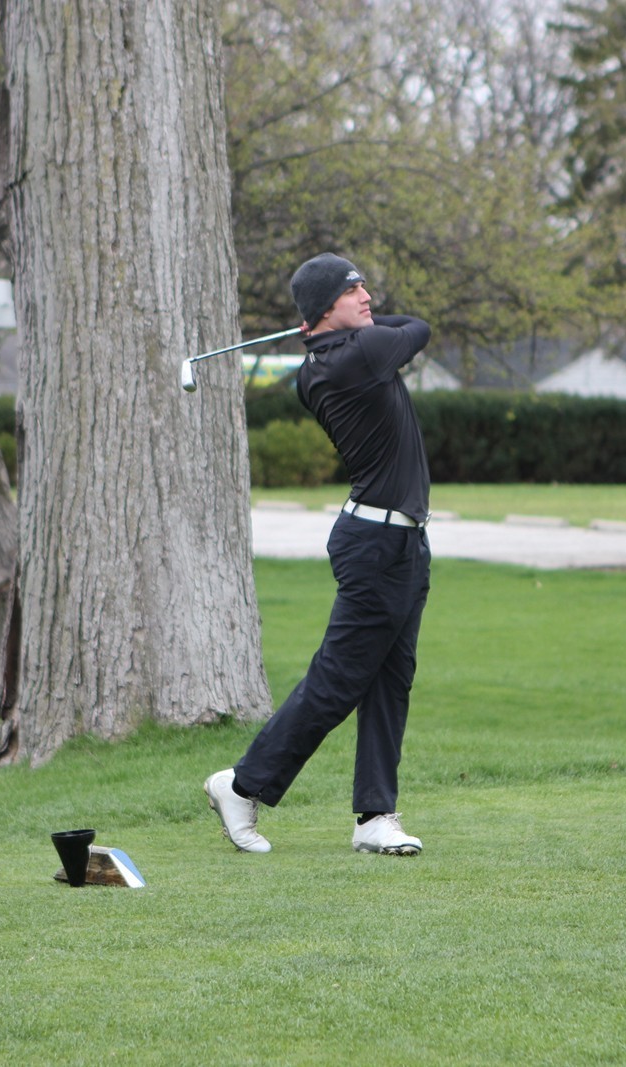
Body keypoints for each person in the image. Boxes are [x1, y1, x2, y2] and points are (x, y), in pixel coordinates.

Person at [205, 253, 433, 856]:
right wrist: (355, 326)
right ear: (323, 309)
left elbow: (398, 324)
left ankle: (375, 817)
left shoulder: (329, 360)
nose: (366, 294)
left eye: (363, 285)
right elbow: (418, 327)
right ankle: (242, 784)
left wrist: (338, 321)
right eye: (350, 289)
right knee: (337, 682)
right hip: (377, 546)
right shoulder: (357, 358)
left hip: (400, 540)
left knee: (390, 680)